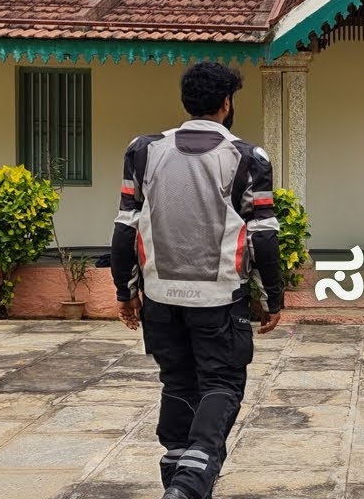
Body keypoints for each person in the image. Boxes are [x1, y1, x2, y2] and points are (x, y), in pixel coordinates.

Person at [111, 62, 285, 499]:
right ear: (226, 103)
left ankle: (178, 483)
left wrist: (125, 291)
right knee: (222, 385)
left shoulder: (144, 150)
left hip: (160, 297)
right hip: (219, 299)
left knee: (178, 382)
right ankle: (188, 486)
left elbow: (125, 227)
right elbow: (263, 236)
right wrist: (274, 296)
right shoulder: (247, 157)